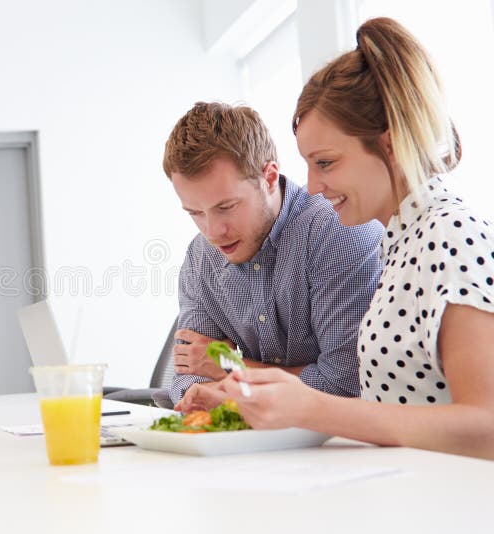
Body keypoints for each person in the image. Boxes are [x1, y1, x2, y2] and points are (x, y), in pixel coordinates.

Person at [176, 17, 494, 460]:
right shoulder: (402, 242)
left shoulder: (449, 234)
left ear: (390, 144)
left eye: (325, 163)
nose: (313, 185)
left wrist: (312, 407)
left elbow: (487, 427)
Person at [162, 101, 383, 405]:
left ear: (268, 177)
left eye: (226, 207)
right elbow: (188, 374)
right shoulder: (201, 257)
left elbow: (343, 385)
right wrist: (217, 385)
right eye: (195, 213)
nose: (213, 231)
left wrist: (230, 366)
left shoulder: (337, 230)